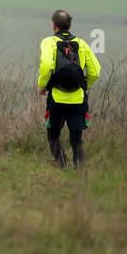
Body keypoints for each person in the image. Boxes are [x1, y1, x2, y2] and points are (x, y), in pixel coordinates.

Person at [37, 9, 102, 169]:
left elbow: (46, 66)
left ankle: (61, 163)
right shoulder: (82, 43)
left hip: (57, 99)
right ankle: (79, 170)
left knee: (53, 134)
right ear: (69, 25)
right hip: (78, 99)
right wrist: (85, 85)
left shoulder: (48, 42)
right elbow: (96, 70)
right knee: (76, 139)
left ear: (54, 25)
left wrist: (42, 85)